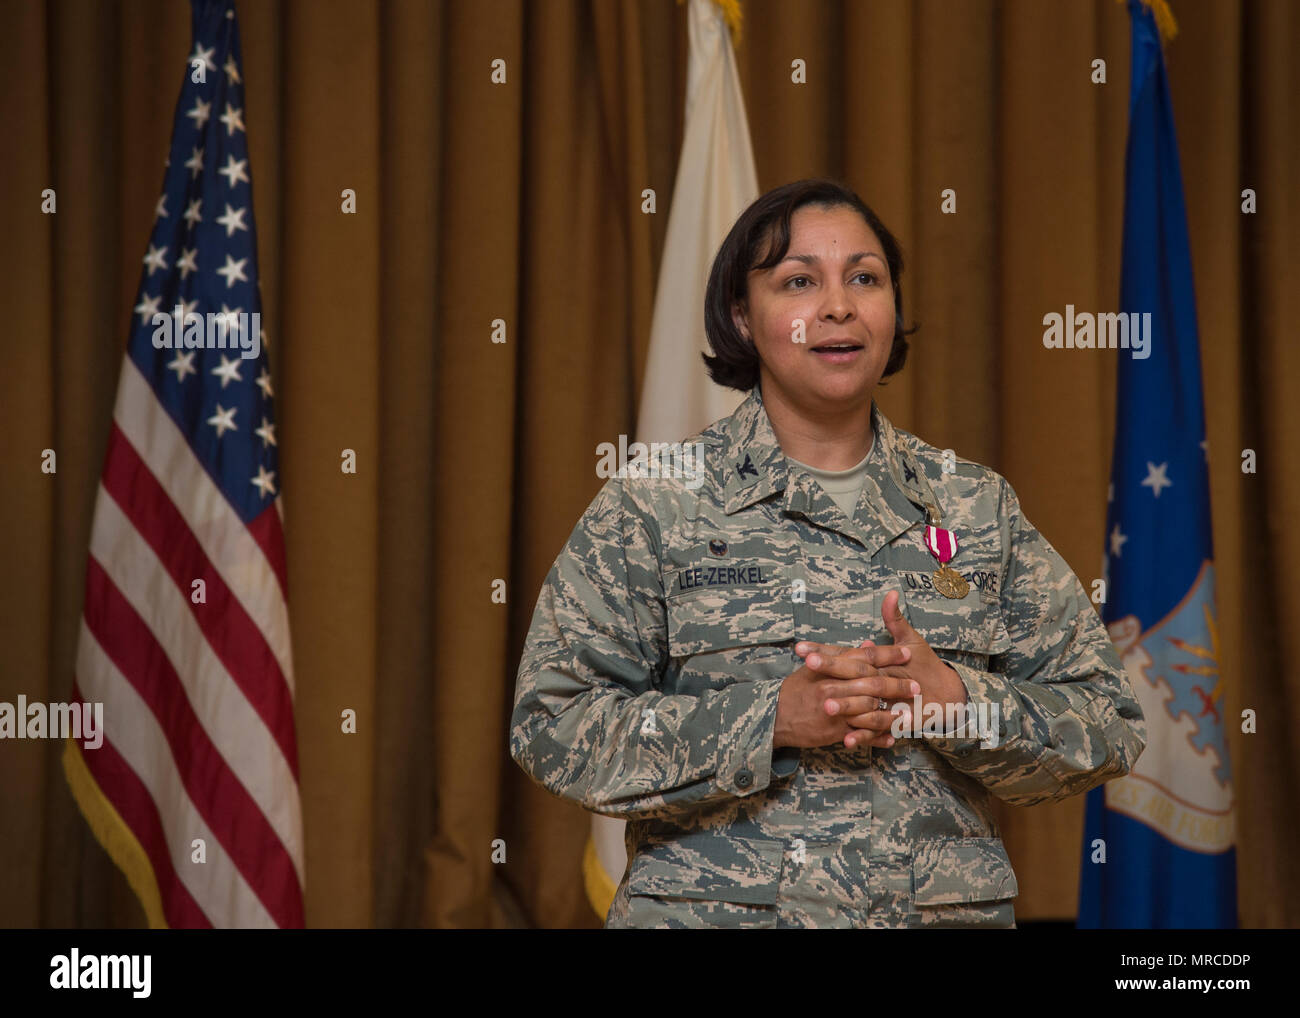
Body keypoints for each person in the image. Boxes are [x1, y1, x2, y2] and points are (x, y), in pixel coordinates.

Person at [509, 178, 1146, 928]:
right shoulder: (656, 499)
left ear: (892, 313)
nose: (838, 305)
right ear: (744, 318)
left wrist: (958, 704)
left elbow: (1109, 724)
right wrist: (769, 721)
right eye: (799, 280)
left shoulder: (975, 506)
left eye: (865, 278)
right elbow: (552, 723)